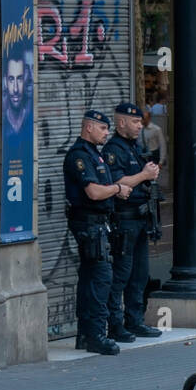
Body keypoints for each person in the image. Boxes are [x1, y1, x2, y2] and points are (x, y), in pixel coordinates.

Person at [65, 110, 129, 355]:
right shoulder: (79, 156)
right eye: (102, 128)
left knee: (92, 279)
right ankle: (95, 336)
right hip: (89, 225)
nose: (106, 133)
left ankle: (86, 335)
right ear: (89, 127)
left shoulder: (95, 155)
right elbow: (93, 192)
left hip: (99, 224)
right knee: (100, 279)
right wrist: (117, 189)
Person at [104, 102, 163, 341]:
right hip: (124, 220)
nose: (140, 126)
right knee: (121, 274)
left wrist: (150, 174)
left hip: (140, 219)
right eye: (135, 122)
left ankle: (135, 320)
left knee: (140, 274)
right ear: (121, 123)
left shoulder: (134, 147)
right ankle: (115, 324)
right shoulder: (113, 150)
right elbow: (117, 184)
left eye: (140, 122)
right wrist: (144, 175)